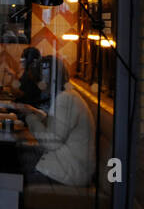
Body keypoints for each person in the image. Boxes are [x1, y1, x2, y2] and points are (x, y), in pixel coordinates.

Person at [11, 56, 94, 186]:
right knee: (18, 154)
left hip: (68, 173)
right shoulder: (68, 95)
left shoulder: (65, 99)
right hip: (68, 165)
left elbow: (51, 142)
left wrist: (29, 116)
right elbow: (58, 127)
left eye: (40, 80)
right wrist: (36, 112)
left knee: (14, 169)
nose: (40, 85)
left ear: (49, 78)